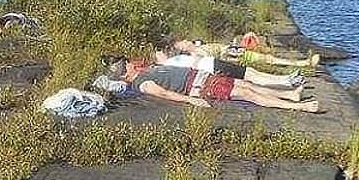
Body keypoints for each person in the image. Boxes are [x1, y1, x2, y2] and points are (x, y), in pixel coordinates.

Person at [113, 60, 319, 113]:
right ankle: (299, 107)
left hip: (206, 76)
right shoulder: (143, 83)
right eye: (127, 64)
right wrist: (192, 100)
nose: (130, 62)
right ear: (125, 73)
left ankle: (291, 95)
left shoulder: (145, 71)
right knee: (248, 93)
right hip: (202, 86)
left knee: (246, 83)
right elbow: (164, 93)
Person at [151, 49, 304, 90]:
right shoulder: (169, 65)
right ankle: (286, 82)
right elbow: (191, 68)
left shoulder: (173, 59)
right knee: (249, 75)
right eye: (158, 53)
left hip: (212, 62)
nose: (161, 52)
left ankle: (285, 79)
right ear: (157, 59)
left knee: (249, 72)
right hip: (211, 67)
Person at [170, 37, 320, 69]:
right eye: (183, 42)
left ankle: (304, 63)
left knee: (268, 58)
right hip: (235, 56)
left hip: (235, 52)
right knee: (269, 60)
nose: (186, 40)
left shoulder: (198, 46)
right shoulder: (197, 54)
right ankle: (304, 63)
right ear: (183, 48)